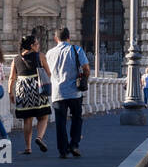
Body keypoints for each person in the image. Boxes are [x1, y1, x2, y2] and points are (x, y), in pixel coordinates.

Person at [46, 27, 89, 159]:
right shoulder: (76, 50)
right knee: (77, 118)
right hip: (74, 91)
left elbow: (47, 72)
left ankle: (63, 150)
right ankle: (74, 145)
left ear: (56, 38)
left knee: (60, 121)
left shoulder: (49, 53)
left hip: (57, 92)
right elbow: (86, 68)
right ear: (68, 37)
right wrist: (84, 78)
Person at [8, 33, 52, 154]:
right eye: (37, 44)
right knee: (43, 116)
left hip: (22, 89)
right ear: (32, 46)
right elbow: (48, 73)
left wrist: (10, 93)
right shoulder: (40, 56)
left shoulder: (16, 59)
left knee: (27, 119)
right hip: (37, 88)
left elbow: (12, 78)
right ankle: (39, 138)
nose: (38, 46)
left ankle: (28, 148)